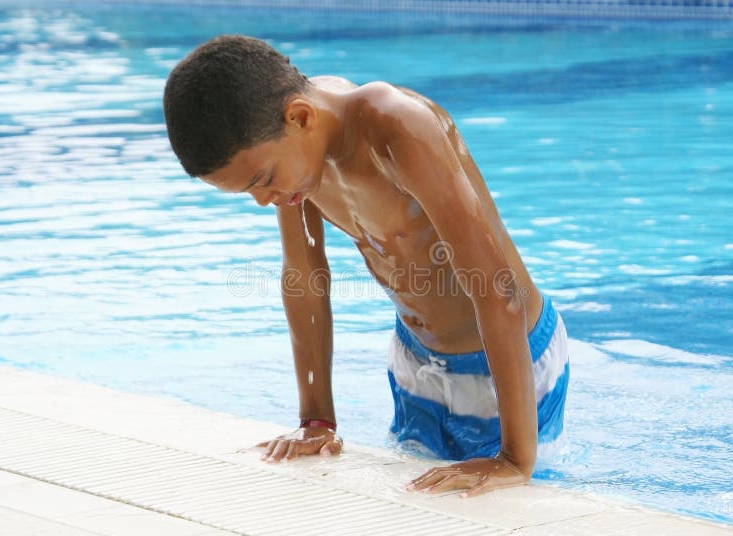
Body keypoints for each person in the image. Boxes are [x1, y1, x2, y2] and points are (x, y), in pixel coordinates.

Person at [163, 35, 569, 498]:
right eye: (249, 192)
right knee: (419, 507)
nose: (263, 200)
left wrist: (515, 460)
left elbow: (497, 288)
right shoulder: (296, 156)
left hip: (510, 357)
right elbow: (305, 281)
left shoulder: (396, 130)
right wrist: (316, 420)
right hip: (417, 361)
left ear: (300, 118)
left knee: (516, 507)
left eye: (263, 180)